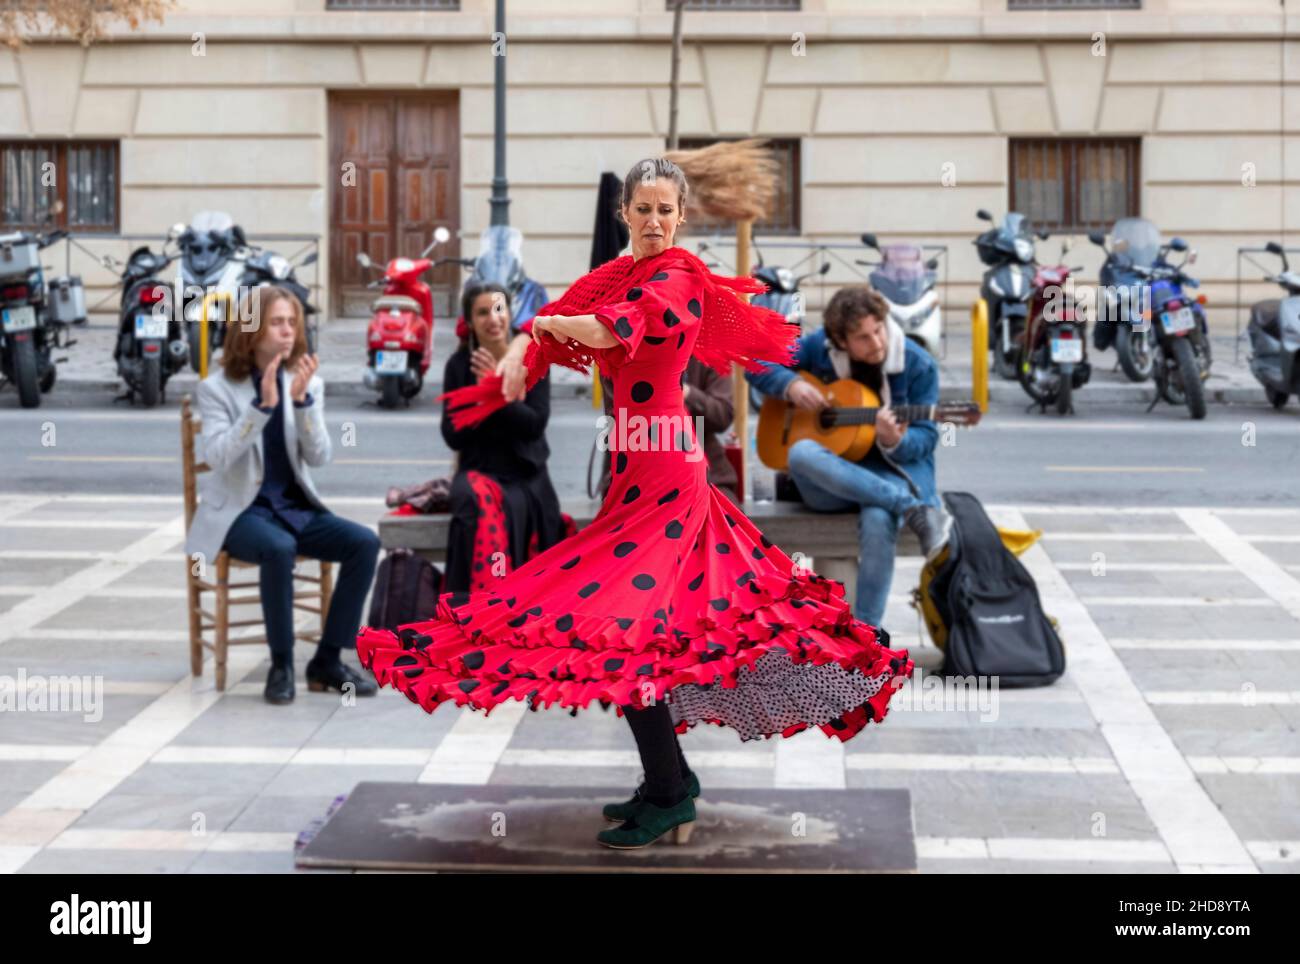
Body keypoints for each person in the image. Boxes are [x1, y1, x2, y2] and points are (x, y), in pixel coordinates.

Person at [357, 157, 913, 850]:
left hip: (669, 479)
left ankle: (671, 789)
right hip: (630, 476)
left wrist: (541, 334)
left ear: (681, 217)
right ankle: (665, 782)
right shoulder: (619, 273)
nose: (653, 221)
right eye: (641, 209)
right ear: (625, 215)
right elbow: (564, 312)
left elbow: (605, 328)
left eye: (664, 210)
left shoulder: (676, 277)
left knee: (631, 635)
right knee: (628, 636)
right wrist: (530, 337)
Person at [186, 285, 380, 705]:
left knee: (364, 542)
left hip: (293, 508)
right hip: (241, 514)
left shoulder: (307, 381)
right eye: (277, 322)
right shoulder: (217, 389)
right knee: (279, 547)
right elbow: (218, 457)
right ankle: (281, 664)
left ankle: (327, 661)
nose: (288, 331)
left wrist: (303, 404)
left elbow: (320, 456)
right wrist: (261, 408)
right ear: (251, 329)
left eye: (292, 322)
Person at [746, 286, 949, 627]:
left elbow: (926, 439)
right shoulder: (819, 349)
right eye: (862, 338)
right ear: (840, 341)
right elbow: (754, 361)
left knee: (877, 518)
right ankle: (912, 509)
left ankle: (868, 635)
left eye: (878, 330)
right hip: (833, 483)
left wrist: (896, 440)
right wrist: (790, 384)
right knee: (800, 452)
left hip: (892, 473)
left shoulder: (917, 364)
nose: (877, 343)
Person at [441, 281, 567, 593]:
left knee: (516, 507)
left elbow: (534, 425)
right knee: (476, 503)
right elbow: (452, 435)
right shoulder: (459, 366)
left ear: (510, 314)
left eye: (499, 309)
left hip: (526, 475)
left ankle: (514, 605)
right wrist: (483, 394)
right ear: (470, 322)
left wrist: (496, 393)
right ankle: (481, 602)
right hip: (479, 471)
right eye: (482, 312)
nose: (492, 319)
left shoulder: (533, 361)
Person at [594, 357, 739, 504]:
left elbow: (722, 414)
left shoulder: (711, 352)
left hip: (708, 474)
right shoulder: (618, 354)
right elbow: (623, 422)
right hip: (637, 475)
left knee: (722, 516)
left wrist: (685, 392)